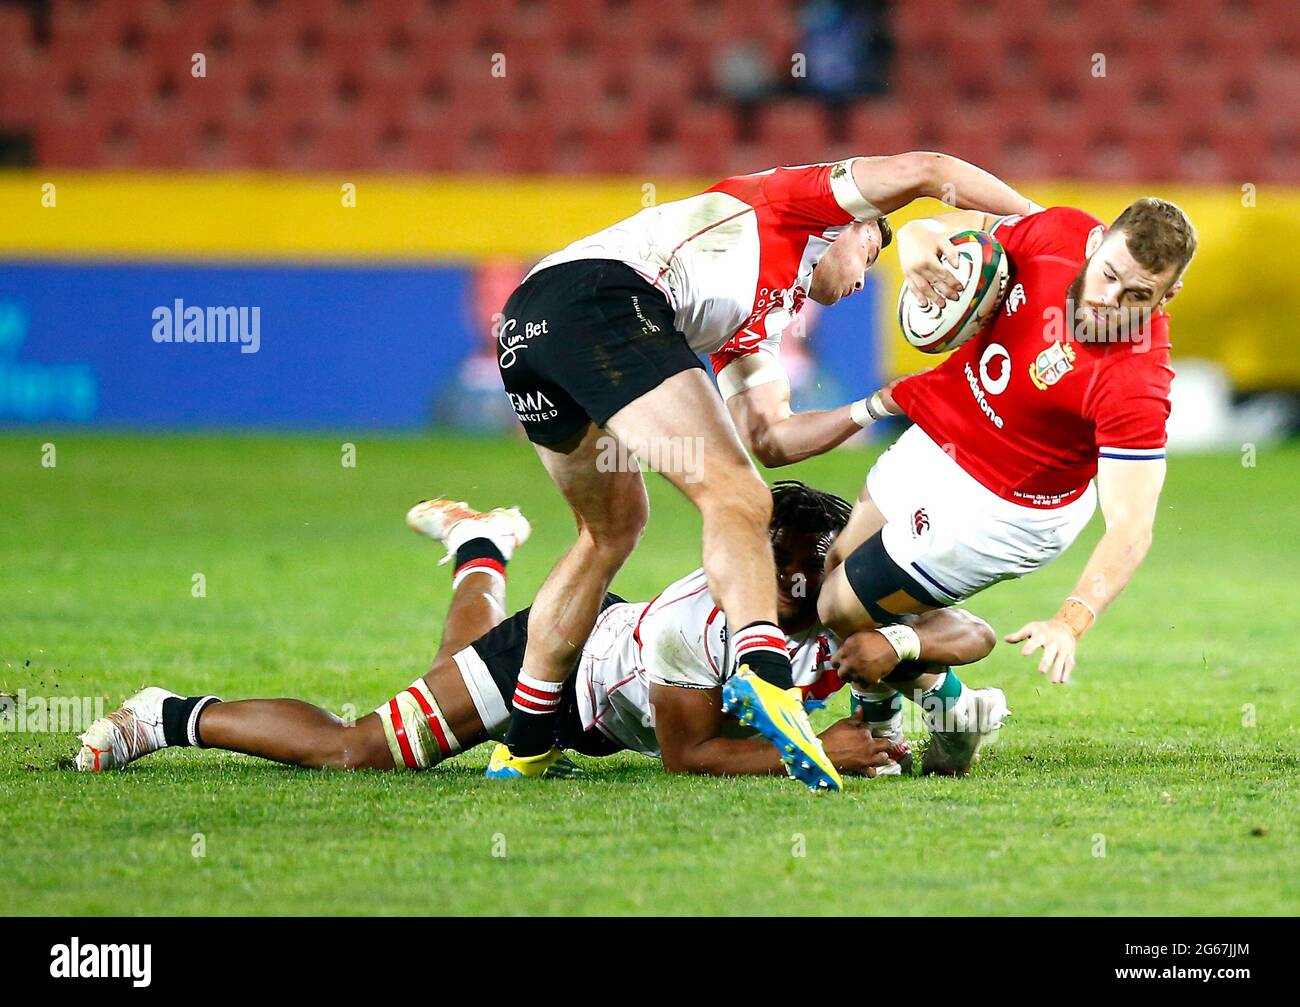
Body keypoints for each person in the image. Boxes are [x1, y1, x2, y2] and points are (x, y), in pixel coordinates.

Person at [493, 151, 1037, 786]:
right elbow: (926, 169)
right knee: (738, 499)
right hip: (604, 295)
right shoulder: (800, 204)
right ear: (854, 225)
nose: (863, 279)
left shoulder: (759, 318)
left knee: (611, 531)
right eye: (870, 253)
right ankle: (767, 676)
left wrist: (881, 403)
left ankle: (525, 747)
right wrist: (1038, 223)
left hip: (530, 328)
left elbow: (772, 438)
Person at [74, 488, 1002, 785]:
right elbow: (688, 757)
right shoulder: (698, 621)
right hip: (557, 665)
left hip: (598, 708)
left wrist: (912, 651)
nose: (801, 586)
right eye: (784, 566)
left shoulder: (846, 599)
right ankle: (164, 715)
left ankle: (480, 544)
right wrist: (821, 746)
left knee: (439, 682)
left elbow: (975, 629)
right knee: (364, 749)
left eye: (817, 567)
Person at [813, 198, 1197, 691]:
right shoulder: (1060, 232)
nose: (1108, 299)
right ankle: (931, 713)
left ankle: (929, 705)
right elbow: (980, 226)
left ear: (1170, 294)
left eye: (1137, 294)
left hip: (1007, 505)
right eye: (1108, 274)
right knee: (840, 563)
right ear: (1095, 242)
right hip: (948, 430)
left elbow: (1131, 528)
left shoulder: (1135, 384)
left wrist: (1069, 622)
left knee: (839, 604)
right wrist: (921, 234)